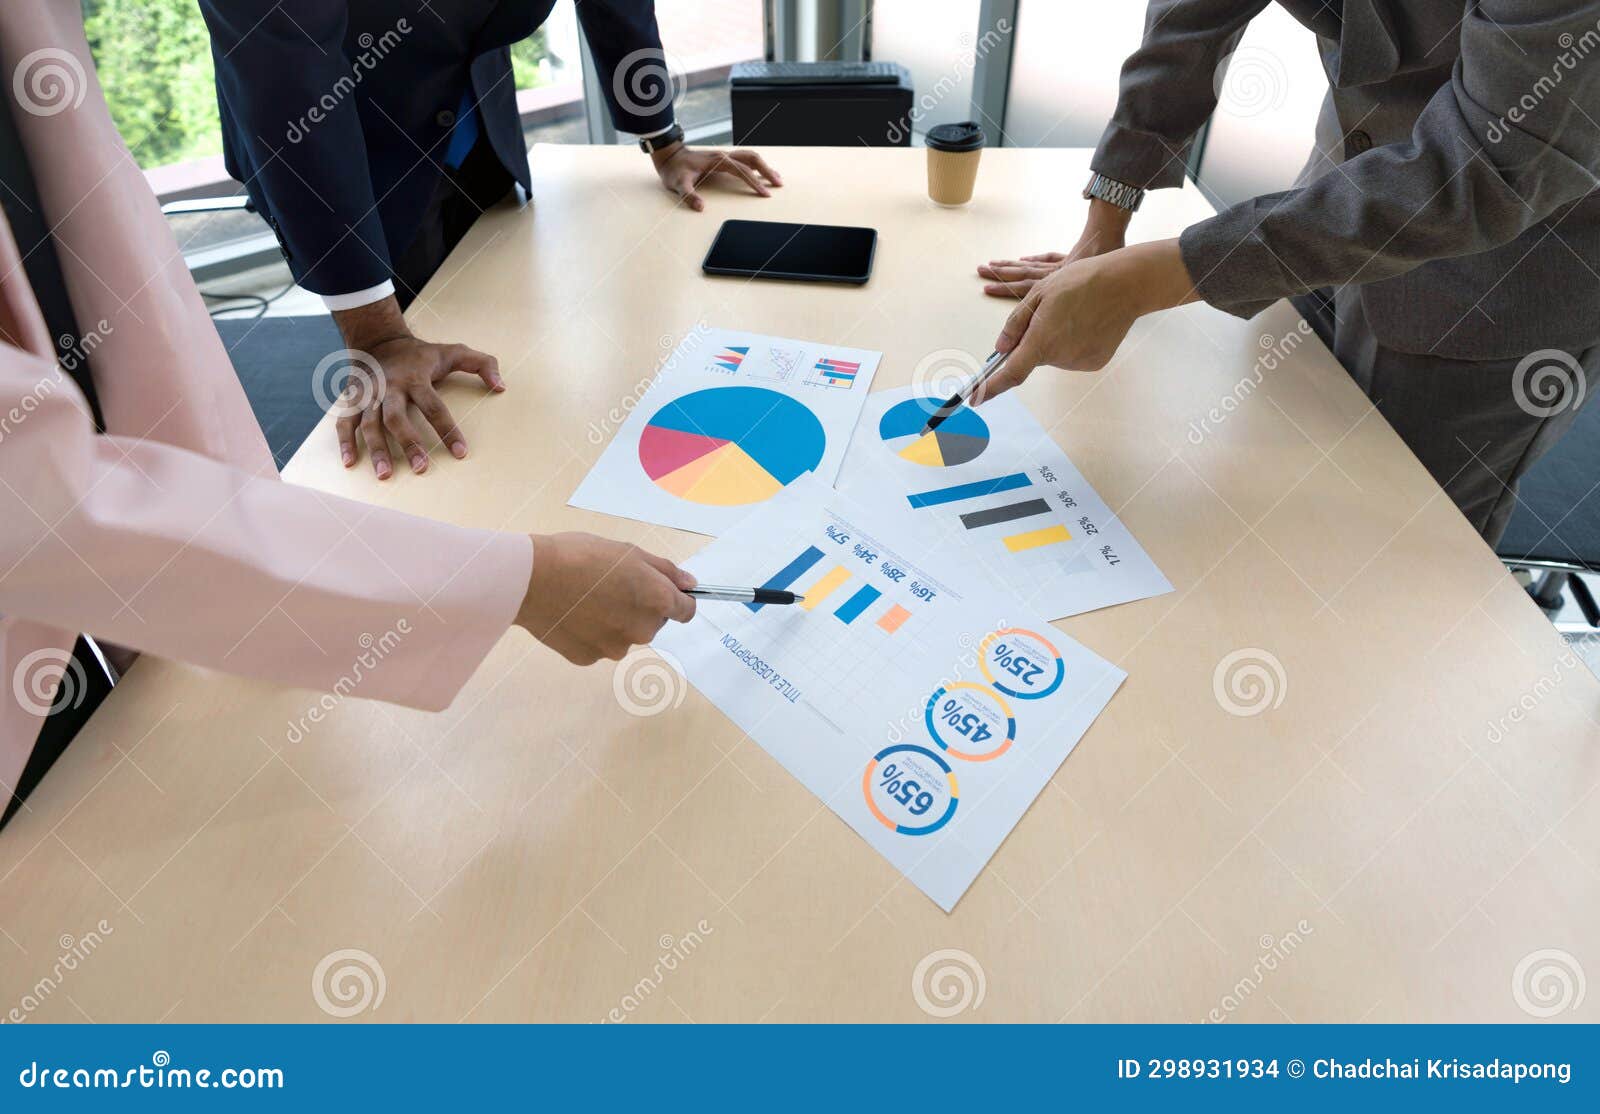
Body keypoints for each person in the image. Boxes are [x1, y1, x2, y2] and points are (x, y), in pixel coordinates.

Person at [0, 1, 693, 829]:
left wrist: (659, 131)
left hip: (465, 133)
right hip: (346, 151)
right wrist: (521, 581)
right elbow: (53, 513)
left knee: (139, 735)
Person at [975, 0, 1600, 545]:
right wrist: (1107, 219)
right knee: (1260, 509)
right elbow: (1192, 17)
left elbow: (1488, 166)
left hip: (1495, 283)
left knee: (1388, 564)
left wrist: (1156, 277)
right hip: (1326, 201)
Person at [197, 0, 782, 480]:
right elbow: (288, 78)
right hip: (342, 145)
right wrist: (376, 334)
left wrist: (663, 138)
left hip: (476, 112)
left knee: (514, 358)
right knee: (418, 419)